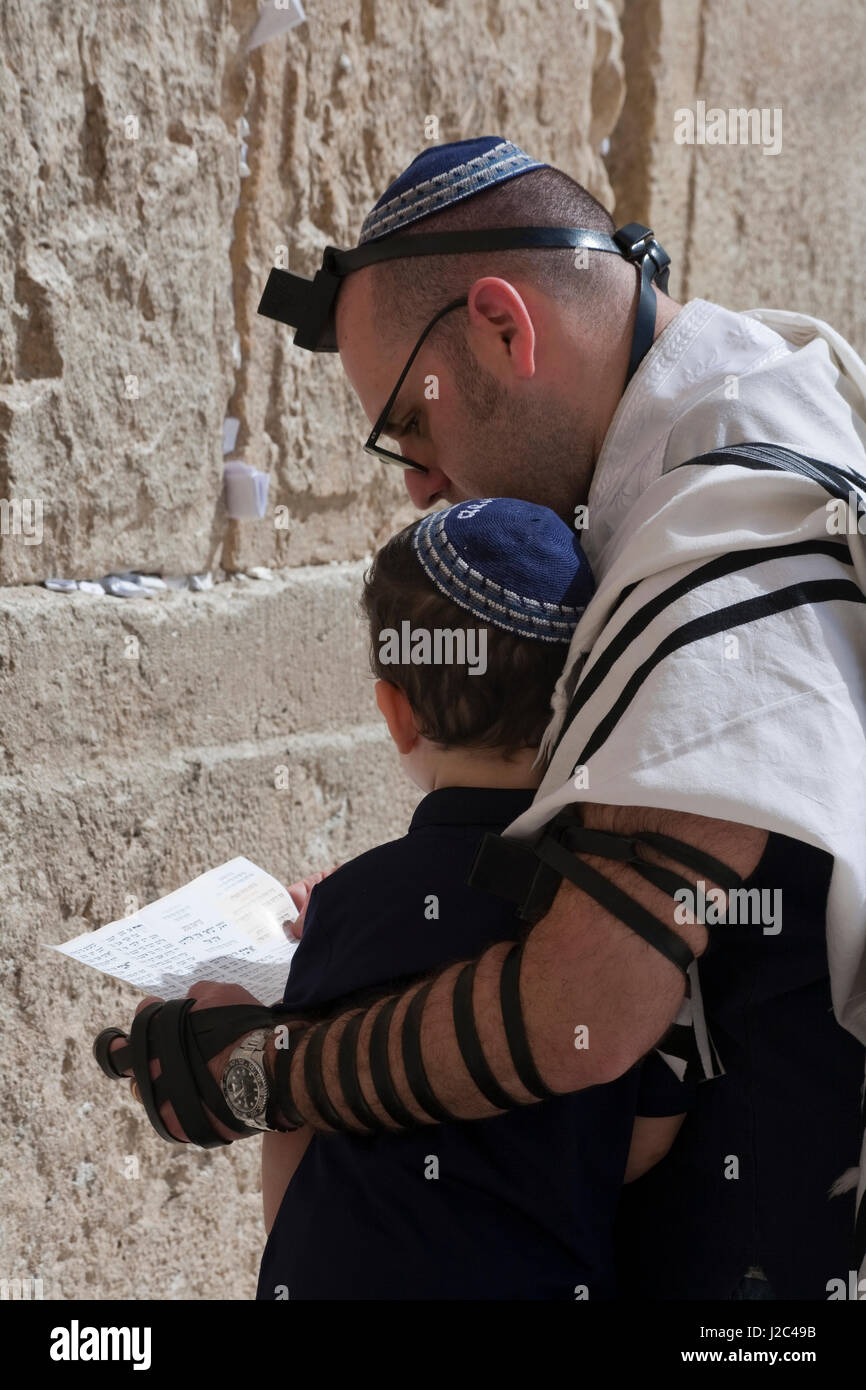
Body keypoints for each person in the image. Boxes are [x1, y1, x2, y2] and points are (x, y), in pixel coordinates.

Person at [111, 136, 866, 1302]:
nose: (413, 483)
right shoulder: (726, 419)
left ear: (504, 328)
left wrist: (262, 1075)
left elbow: (583, 1010)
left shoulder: (727, 530)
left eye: (408, 429)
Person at [257, 497, 693, 1300]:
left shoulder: (352, 905)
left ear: (396, 714)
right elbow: (648, 1138)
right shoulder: (626, 902)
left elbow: (294, 1121)